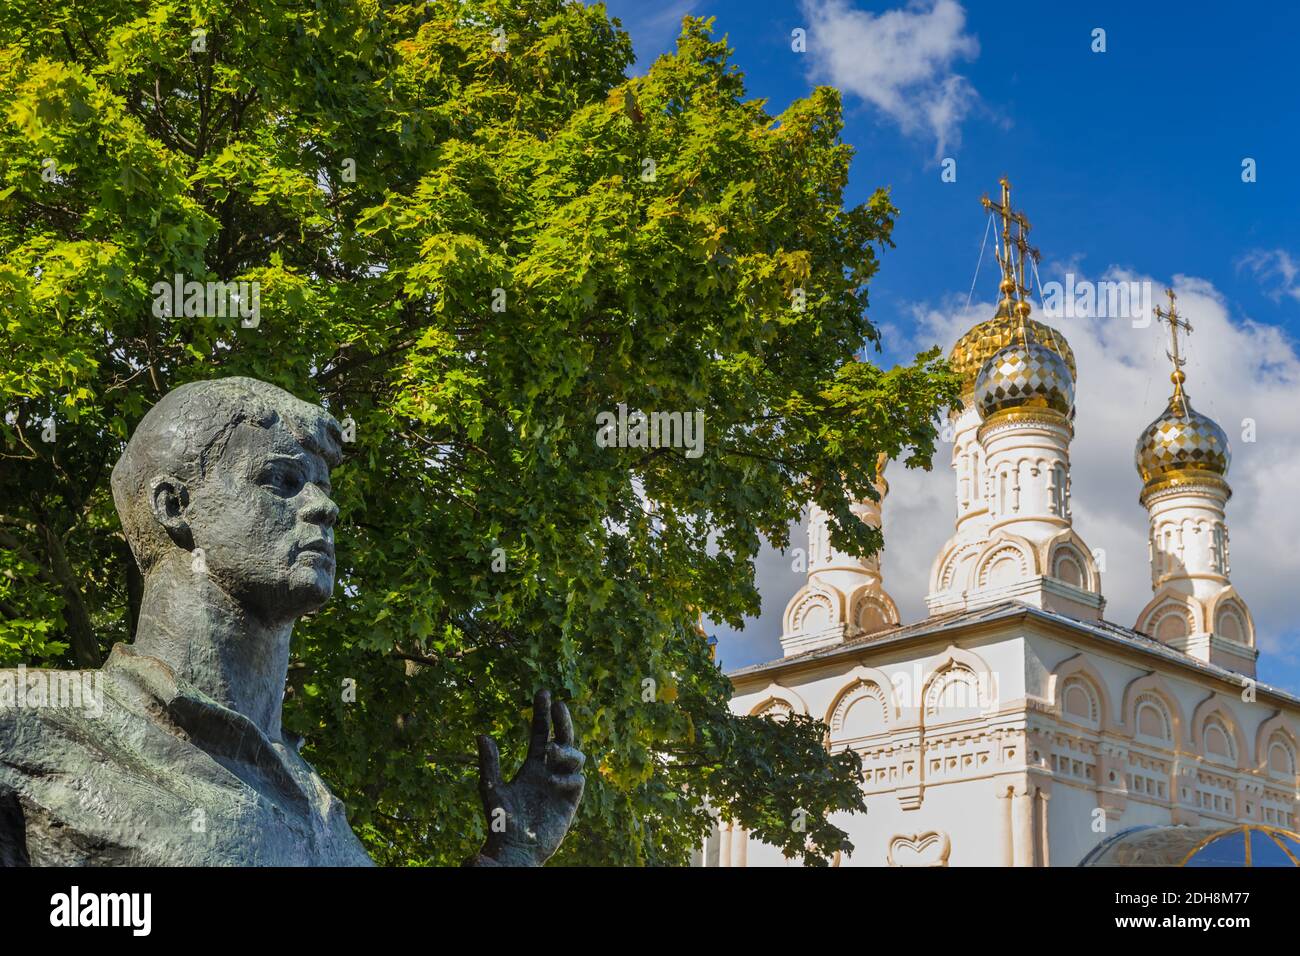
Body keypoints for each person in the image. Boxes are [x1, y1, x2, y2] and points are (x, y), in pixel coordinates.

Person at [0, 377, 583, 866]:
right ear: (176, 507)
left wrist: (512, 852)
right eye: (281, 480)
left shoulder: (322, 817)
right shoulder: (27, 724)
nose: (323, 506)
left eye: (323, 488)